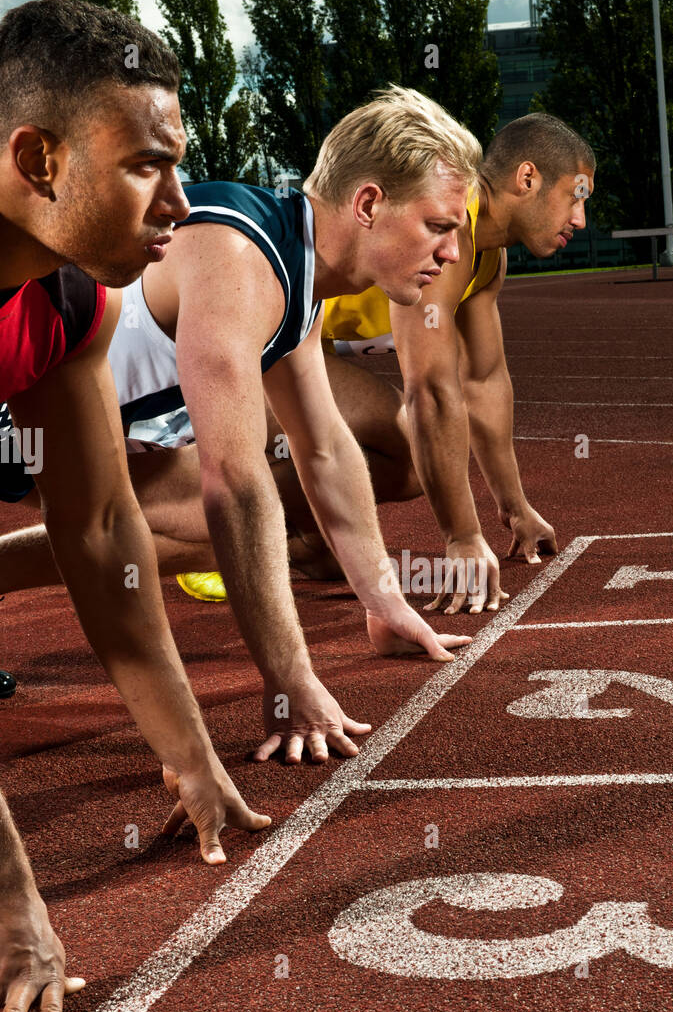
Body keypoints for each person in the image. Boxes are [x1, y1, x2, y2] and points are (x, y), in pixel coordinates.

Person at [0, 87, 475, 763]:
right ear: (369, 205)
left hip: (92, 421)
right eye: (438, 225)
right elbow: (236, 479)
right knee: (225, 514)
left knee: (228, 526)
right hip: (18, 406)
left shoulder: (298, 272)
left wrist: (385, 601)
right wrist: (291, 682)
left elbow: (326, 449)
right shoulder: (240, 258)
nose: (453, 252)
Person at [0, 0, 270, 1012]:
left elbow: (105, 531)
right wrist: (17, 907)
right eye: (147, 166)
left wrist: (189, 754)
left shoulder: (71, 304)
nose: (182, 200)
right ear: (39, 157)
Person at [319, 113, 596, 613]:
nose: (580, 219)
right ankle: (219, 531)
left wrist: (515, 508)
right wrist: (462, 536)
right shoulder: (452, 228)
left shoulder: (491, 256)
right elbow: (429, 388)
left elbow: (484, 380)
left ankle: (300, 536)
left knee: (393, 482)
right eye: (575, 196)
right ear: (527, 178)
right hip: (269, 340)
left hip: (309, 344)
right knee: (402, 439)